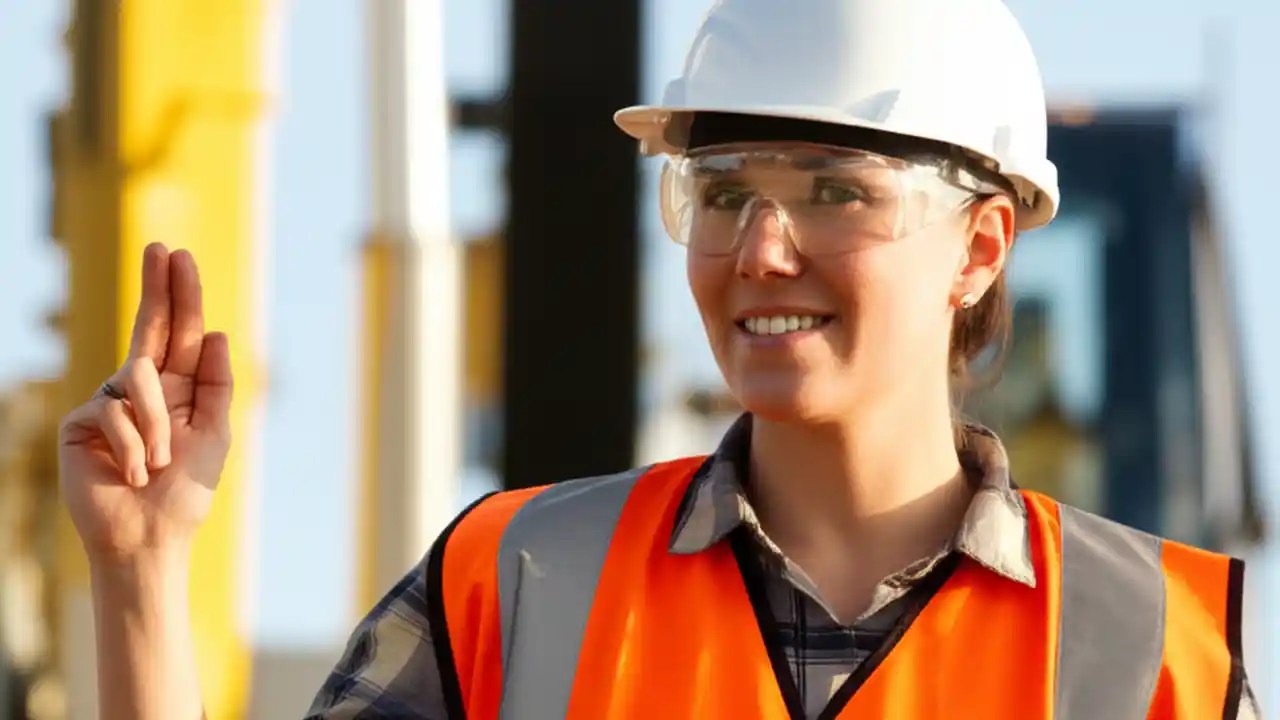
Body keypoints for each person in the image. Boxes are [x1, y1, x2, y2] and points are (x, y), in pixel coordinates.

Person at [60, 0, 1262, 718]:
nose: (759, 248)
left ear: (979, 246)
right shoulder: (517, 583)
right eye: (724, 191)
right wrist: (142, 574)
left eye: (836, 191)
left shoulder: (1152, 642)